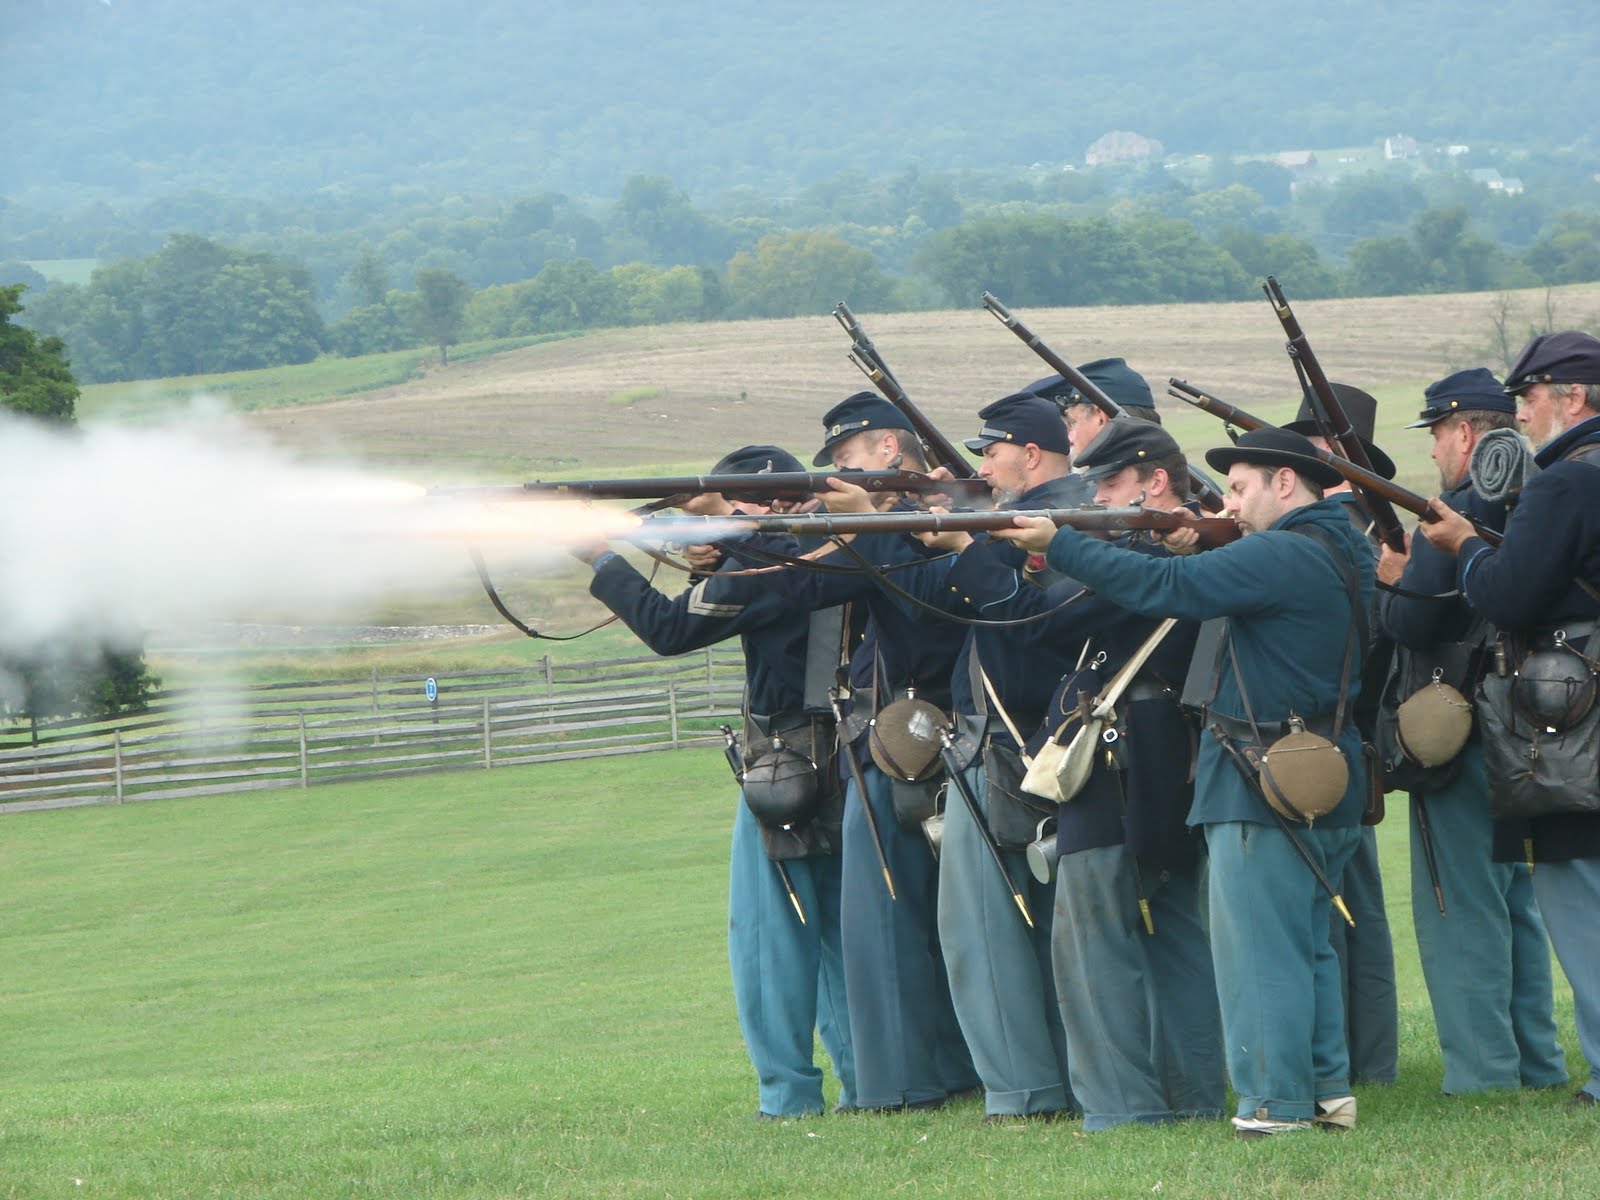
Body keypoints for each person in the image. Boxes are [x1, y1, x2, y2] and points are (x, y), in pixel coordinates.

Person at [999, 426, 1375, 1139]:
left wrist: (1063, 543)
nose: (1229, 506)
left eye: (1239, 488)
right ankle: (1324, 1091)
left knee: (1258, 950)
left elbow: (1166, 588)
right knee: (1309, 943)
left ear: (1284, 484)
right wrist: (1204, 542)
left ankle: (1272, 1104)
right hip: (1324, 769)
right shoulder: (1342, 544)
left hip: (1256, 774)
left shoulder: (1281, 552)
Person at [571, 444, 855, 1120]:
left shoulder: (778, 561)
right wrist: (719, 543)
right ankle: (866, 1075)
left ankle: (788, 1095)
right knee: (843, 936)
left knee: (767, 937)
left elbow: (668, 629)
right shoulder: (826, 551)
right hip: (850, 754)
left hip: (788, 761)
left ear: (778, 504)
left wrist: (602, 559)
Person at [1417, 332, 1600, 1109]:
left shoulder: (1563, 485)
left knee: (1578, 888)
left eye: (1529, 400)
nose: (1520, 415)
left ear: (1574, 399)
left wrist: (1462, 548)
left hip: (1575, 713)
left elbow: (1506, 595)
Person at [1376, 367, 1566, 1096]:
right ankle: (1539, 1063)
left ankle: (1484, 1074)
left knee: (1458, 903)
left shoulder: (1453, 513)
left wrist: (1393, 578)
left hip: (1460, 730)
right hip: (1534, 727)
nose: (1433, 453)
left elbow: (1413, 622)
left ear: (1462, 432)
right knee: (1515, 898)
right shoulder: (1542, 501)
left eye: (1437, 435)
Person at [1031, 418, 1224, 1129]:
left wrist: (1046, 554)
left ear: (1155, 482)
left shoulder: (1147, 558)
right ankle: (1193, 1097)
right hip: (1164, 759)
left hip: (1119, 760)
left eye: (1111, 483)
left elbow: (1040, 620)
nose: (1101, 497)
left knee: (1092, 943)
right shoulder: (1179, 553)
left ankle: (1121, 1110)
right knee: (1174, 935)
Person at [1283, 382, 1400, 1086]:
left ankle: (1363, 1062)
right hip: (1338, 738)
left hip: (1337, 736)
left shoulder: (1354, 535)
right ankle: (1364, 1059)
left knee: (1344, 913)